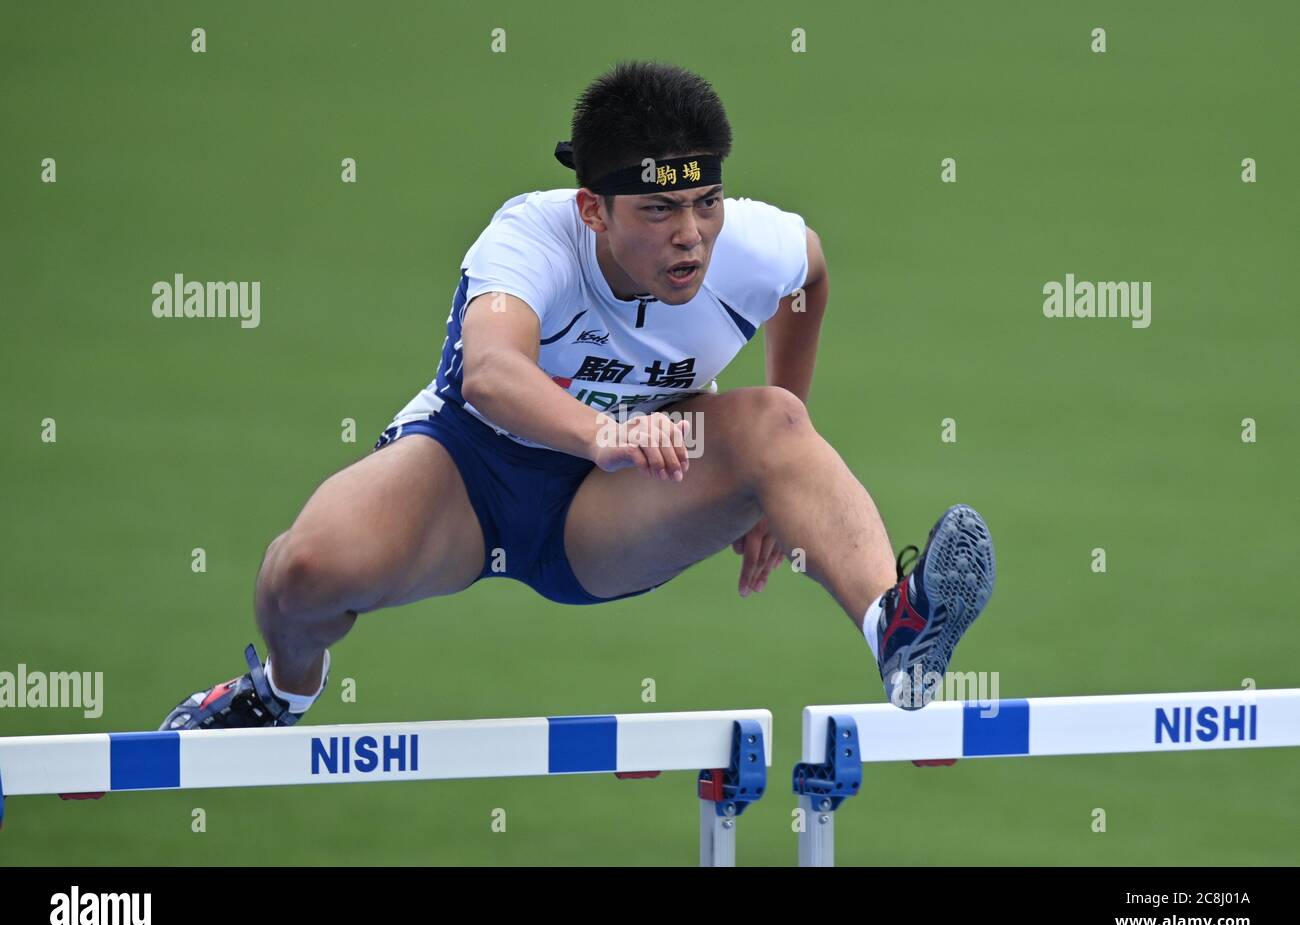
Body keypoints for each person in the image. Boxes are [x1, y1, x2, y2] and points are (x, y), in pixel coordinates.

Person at [160, 60, 995, 731]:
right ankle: (281, 692)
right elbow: (489, 372)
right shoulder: (530, 236)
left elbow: (807, 274)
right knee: (303, 572)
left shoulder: (749, 241)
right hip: (471, 475)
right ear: (592, 209)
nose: (691, 235)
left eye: (706, 204)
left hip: (622, 503)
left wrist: (776, 486)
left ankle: (895, 628)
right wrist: (601, 432)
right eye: (659, 209)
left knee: (780, 423)